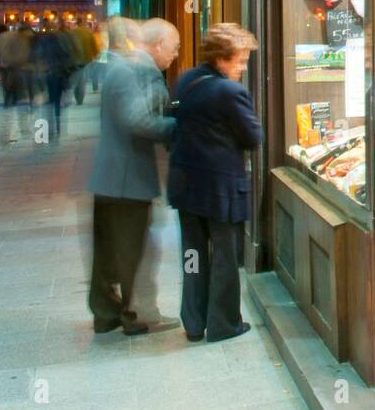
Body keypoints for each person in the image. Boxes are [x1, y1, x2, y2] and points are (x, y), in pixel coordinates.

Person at [168, 23, 262, 343]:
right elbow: (253, 136)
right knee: (224, 255)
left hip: (186, 184)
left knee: (192, 254)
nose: (243, 67)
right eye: (240, 60)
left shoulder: (187, 81)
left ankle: (193, 321)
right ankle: (223, 323)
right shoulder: (229, 92)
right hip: (221, 188)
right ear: (222, 58)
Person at [87, 18, 179, 335]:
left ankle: (105, 313)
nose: (175, 54)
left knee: (109, 253)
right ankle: (137, 314)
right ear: (155, 45)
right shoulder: (133, 72)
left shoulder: (120, 69)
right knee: (132, 251)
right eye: (173, 47)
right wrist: (178, 128)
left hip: (112, 178)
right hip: (126, 180)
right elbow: (138, 120)